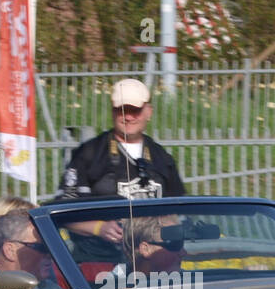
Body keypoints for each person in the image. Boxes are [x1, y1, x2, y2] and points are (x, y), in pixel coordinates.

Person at [55, 78, 186, 260]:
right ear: (112, 111)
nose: (128, 116)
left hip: (153, 264)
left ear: (149, 111)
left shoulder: (162, 158)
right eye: (121, 110)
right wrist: (100, 228)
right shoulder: (89, 154)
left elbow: (177, 212)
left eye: (135, 110)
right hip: (98, 264)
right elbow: (62, 213)